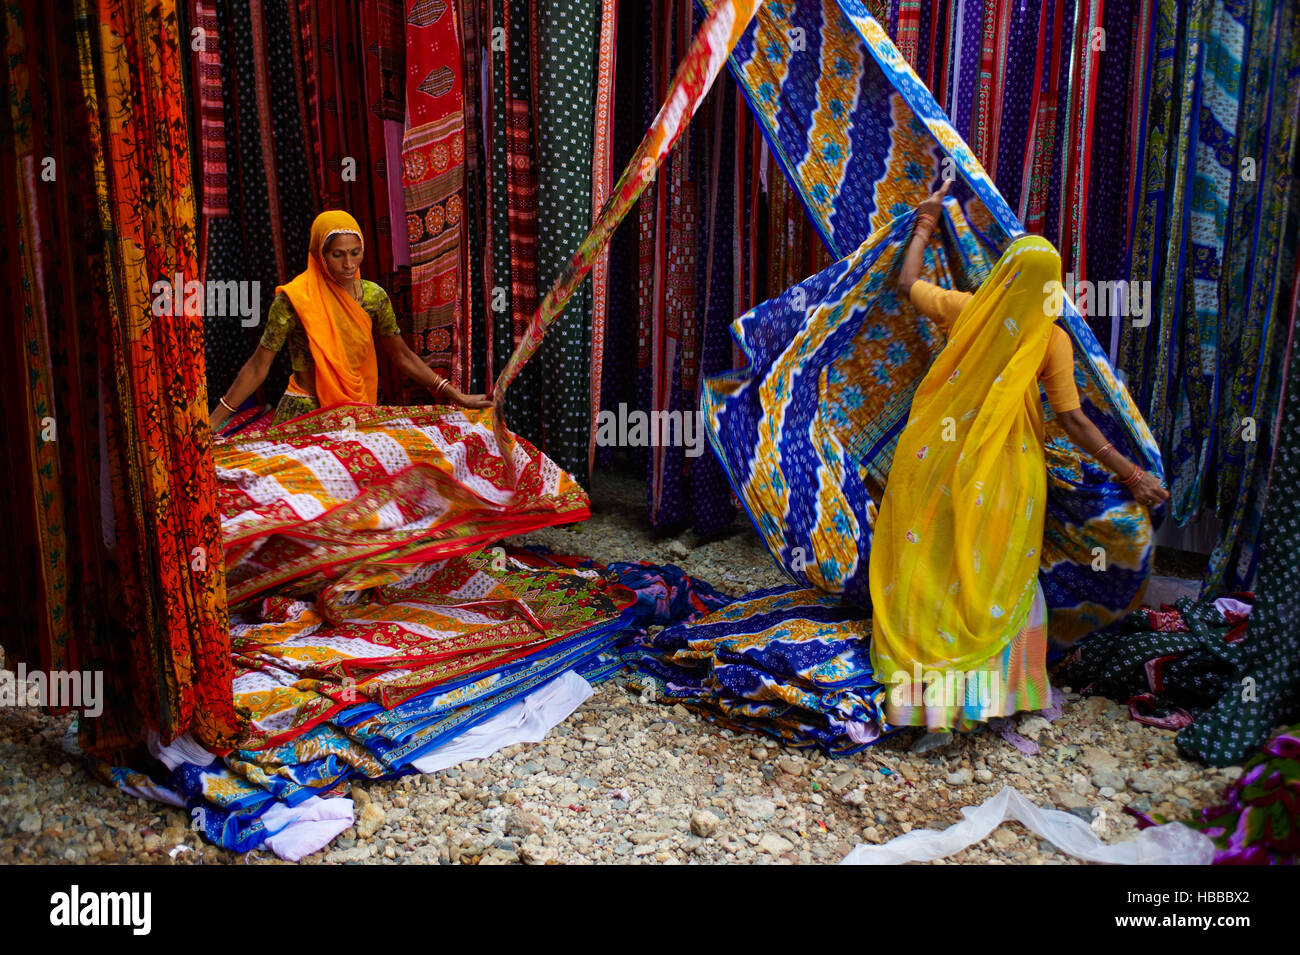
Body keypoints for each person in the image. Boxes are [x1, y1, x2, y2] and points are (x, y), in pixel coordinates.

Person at [870, 179, 1170, 752]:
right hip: (1007, 475)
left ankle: (920, 707)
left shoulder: (968, 310)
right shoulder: (1051, 340)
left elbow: (907, 283)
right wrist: (1132, 475)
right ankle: (983, 704)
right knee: (995, 578)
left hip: (931, 460)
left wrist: (927, 221)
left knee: (930, 568)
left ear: (1005, 275)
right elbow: (1076, 421)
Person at [208, 210, 491, 431]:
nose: (348, 264)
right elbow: (259, 366)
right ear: (320, 254)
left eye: (355, 253)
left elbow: (402, 356)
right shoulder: (294, 299)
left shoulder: (373, 297)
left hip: (357, 411)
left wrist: (457, 396)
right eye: (337, 255)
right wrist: (212, 424)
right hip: (306, 413)